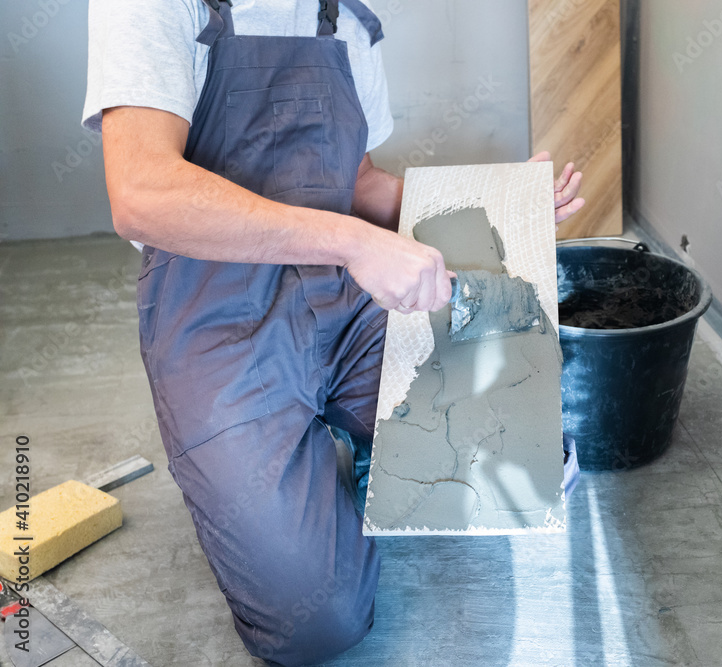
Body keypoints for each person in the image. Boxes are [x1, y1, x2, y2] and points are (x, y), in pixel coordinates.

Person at [83, 0, 584, 663]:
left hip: (342, 298)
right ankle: (294, 462)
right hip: (215, 317)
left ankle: (345, 436)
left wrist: (496, 199)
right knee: (318, 618)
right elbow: (142, 192)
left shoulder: (344, 20)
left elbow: (359, 183)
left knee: (528, 450)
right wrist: (353, 243)